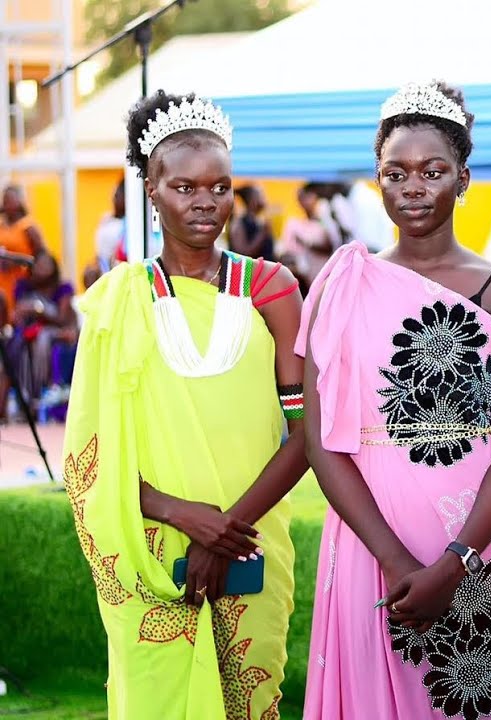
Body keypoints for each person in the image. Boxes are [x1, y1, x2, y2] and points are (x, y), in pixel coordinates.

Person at [299, 80, 491, 719]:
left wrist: (457, 559)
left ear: (463, 178)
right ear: (377, 182)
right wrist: (393, 557)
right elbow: (322, 441)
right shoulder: (343, 287)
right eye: (396, 172)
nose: (413, 187)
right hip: (368, 539)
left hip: (475, 541)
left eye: (433, 172)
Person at [63, 89, 307, 720]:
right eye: (184, 187)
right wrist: (181, 515)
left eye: (221, 187)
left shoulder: (273, 288)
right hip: (151, 546)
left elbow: (307, 430)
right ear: (151, 189)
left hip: (252, 540)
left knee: (248, 701)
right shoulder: (118, 299)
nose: (206, 202)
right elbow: (89, 451)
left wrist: (225, 533)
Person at [2, 252, 77, 415]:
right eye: (39, 264)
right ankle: (21, 400)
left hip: (53, 331)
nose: (41, 268)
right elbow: (15, 318)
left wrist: (39, 311)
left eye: (46, 264)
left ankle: (38, 395)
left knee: (42, 339)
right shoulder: (22, 287)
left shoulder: (63, 289)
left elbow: (62, 320)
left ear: (54, 268)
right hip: (25, 335)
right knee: (14, 345)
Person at [0, 185, 47, 324]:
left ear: (20, 201)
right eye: (4, 199)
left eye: (9, 199)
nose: (6, 203)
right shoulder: (2, 225)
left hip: (20, 282)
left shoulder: (28, 227)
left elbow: (42, 258)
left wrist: (15, 262)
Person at [279, 184, 336, 290]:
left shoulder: (326, 219)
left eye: (307, 197)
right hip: (304, 280)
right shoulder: (295, 224)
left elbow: (329, 247)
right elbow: (287, 251)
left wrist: (306, 243)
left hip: (323, 276)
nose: (304, 202)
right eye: (301, 198)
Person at [230, 183, 278, 261]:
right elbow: (242, 254)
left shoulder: (260, 222)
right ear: (251, 199)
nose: (264, 198)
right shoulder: (239, 223)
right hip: (250, 271)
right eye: (261, 195)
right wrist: (262, 234)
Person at [93, 180, 127, 270]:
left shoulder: (127, 225)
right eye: (114, 195)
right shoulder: (107, 220)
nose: (114, 199)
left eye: (117, 195)